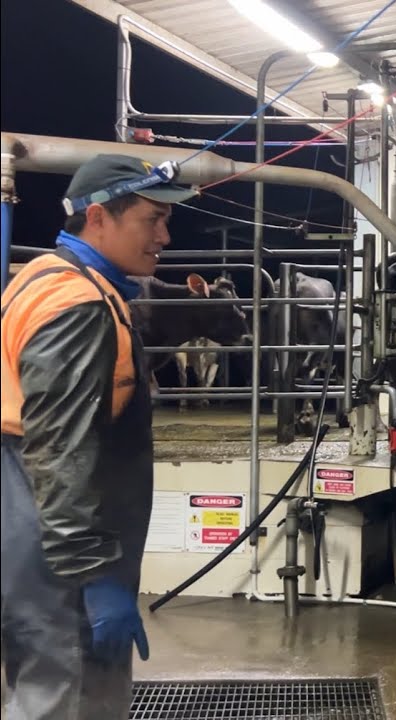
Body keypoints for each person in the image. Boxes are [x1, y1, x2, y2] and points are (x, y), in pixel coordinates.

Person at [1, 154, 195, 719]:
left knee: (54, 685)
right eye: (151, 220)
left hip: (36, 524)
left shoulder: (44, 274)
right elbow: (59, 449)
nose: (164, 236)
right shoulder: (78, 305)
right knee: (65, 693)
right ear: (97, 218)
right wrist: (93, 578)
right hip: (58, 543)